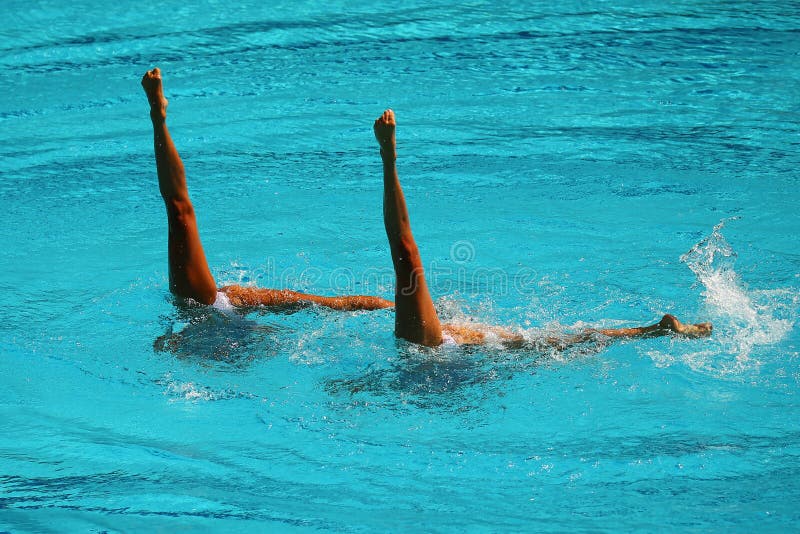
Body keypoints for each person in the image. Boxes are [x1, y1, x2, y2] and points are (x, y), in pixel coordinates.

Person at [372, 109, 713, 347]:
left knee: (403, 258)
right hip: (458, 358)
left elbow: (400, 248)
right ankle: (654, 331)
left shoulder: (415, 333)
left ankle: (390, 160)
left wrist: (388, 158)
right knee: (561, 343)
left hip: (435, 352)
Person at [141, 68, 393, 312]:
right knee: (178, 212)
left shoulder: (240, 300)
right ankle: (158, 118)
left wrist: (398, 308)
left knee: (179, 213)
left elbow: (336, 303)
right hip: (213, 313)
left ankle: (158, 118)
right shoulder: (221, 301)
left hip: (225, 319)